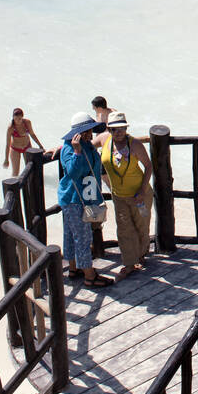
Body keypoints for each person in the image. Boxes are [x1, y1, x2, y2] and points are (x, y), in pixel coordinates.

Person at [58, 113, 113, 288]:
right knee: (82, 237)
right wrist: (76, 152)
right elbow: (73, 172)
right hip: (74, 199)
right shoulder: (71, 148)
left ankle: (74, 268)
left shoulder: (87, 145)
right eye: (88, 130)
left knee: (71, 235)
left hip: (83, 198)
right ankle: (90, 276)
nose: (90, 133)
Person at [100, 112, 153, 280]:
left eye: (122, 128)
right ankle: (129, 263)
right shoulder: (104, 140)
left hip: (140, 195)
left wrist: (142, 191)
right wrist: (62, 148)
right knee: (124, 229)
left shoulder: (135, 144)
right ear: (108, 129)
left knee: (141, 225)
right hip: (119, 196)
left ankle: (142, 254)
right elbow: (86, 143)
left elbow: (148, 166)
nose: (119, 132)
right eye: (115, 129)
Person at [3, 108, 44, 175]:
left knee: (29, 169)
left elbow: (32, 134)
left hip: (27, 147)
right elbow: (7, 144)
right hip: (15, 149)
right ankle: (15, 185)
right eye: (15, 119)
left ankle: (30, 184)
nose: (17, 121)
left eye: (19, 119)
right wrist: (6, 159)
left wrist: (40, 145)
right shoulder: (11, 128)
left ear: (22, 117)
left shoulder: (27, 122)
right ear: (13, 117)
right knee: (15, 173)